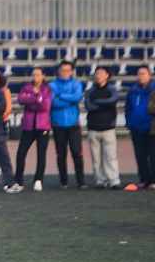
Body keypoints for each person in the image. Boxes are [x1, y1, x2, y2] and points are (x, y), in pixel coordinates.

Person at [13, 68, 53, 192]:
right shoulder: (27, 87)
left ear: (43, 76)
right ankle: (18, 181)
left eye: (38, 74)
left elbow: (45, 106)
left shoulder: (47, 89)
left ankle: (38, 180)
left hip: (42, 126)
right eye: (34, 74)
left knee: (41, 155)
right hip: (28, 126)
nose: (35, 77)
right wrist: (36, 99)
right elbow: (21, 100)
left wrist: (33, 98)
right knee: (21, 154)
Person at [49, 61, 86, 189]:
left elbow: (77, 97)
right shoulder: (52, 85)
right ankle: (63, 181)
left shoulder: (76, 84)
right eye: (62, 70)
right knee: (61, 154)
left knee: (77, 153)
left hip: (73, 124)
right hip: (58, 124)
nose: (64, 73)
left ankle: (81, 181)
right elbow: (52, 103)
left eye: (67, 70)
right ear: (58, 71)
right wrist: (69, 101)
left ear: (71, 72)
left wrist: (62, 96)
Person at [84, 66, 122, 189]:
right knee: (96, 157)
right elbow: (89, 106)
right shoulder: (90, 91)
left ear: (107, 75)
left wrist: (98, 102)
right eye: (97, 73)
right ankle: (100, 180)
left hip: (108, 127)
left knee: (111, 156)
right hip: (93, 127)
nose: (98, 75)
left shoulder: (112, 89)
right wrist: (103, 104)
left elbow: (112, 101)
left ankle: (114, 180)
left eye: (101, 73)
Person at [124, 64, 154, 187]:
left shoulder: (153, 89)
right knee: (140, 155)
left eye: (143, 74)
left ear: (149, 75)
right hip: (136, 127)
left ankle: (153, 180)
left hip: (151, 128)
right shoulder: (133, 90)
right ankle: (143, 179)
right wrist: (129, 122)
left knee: (153, 155)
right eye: (139, 74)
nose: (141, 76)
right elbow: (128, 108)